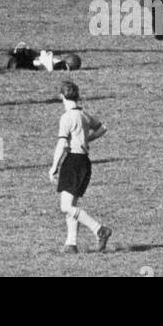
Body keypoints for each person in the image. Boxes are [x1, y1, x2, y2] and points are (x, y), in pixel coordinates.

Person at [48, 79, 111, 255]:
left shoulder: (67, 117)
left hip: (73, 162)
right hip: (85, 162)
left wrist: (54, 166)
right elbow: (102, 128)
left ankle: (99, 229)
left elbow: (61, 144)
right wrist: (86, 139)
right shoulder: (83, 115)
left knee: (66, 207)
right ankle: (71, 244)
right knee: (71, 205)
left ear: (62, 97)